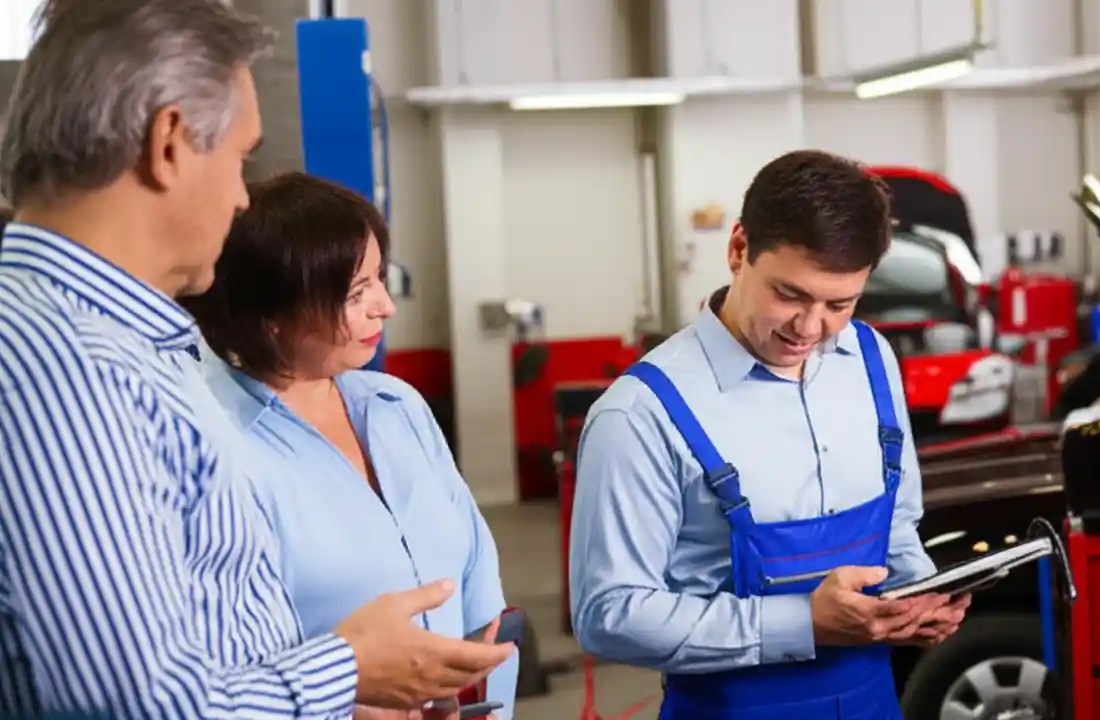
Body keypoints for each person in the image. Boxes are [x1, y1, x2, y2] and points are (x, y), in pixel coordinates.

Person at [0, 2, 511, 718]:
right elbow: (140, 706)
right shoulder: (70, 369)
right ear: (170, 143)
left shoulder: (123, 349)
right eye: (240, 157)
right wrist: (347, 670)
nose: (241, 196)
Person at [568, 150, 971, 719]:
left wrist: (920, 595)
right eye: (790, 295)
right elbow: (609, 614)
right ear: (738, 250)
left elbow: (898, 529)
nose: (810, 328)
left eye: (840, 303)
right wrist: (802, 623)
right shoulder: (641, 413)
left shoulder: (871, 360)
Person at [180, 171, 517, 719]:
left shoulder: (395, 407)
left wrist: (476, 697)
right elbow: (209, 662)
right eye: (356, 293)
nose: (385, 306)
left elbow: (477, 574)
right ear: (271, 314)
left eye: (379, 279)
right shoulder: (215, 446)